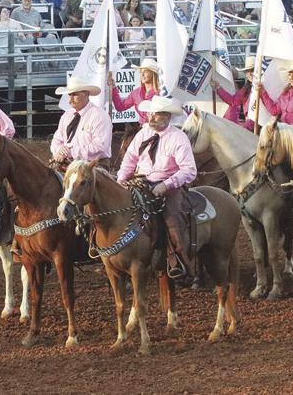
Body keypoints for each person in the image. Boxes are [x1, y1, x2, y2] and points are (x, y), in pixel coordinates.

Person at [115, 96, 196, 279]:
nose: (151, 117)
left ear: (168, 116)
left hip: (169, 184)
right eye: (150, 113)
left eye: (156, 114)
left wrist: (166, 185)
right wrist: (121, 180)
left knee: (172, 216)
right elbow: (129, 161)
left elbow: (189, 170)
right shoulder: (142, 134)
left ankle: (179, 259)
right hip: (140, 181)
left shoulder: (178, 137)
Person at [51, 75, 113, 169]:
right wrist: (59, 151)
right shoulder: (67, 115)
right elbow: (57, 140)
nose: (71, 99)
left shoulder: (100, 116)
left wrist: (71, 152)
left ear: (86, 94)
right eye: (69, 95)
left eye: (75, 94)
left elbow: (100, 146)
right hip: (67, 162)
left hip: (93, 165)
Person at [109, 57, 160, 160]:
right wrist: (113, 87)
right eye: (141, 72)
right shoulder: (136, 93)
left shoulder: (161, 92)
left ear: (153, 73)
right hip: (142, 129)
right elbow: (120, 107)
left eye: (145, 71)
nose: (142, 74)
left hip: (158, 130)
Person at [258, 60, 293, 129]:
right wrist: (263, 92)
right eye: (289, 74)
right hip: (284, 131)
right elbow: (274, 111)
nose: (291, 77)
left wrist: (287, 129)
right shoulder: (285, 94)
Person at [212, 56, 255, 131]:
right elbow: (233, 101)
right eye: (247, 71)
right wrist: (218, 87)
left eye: (252, 70)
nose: (250, 73)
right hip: (250, 127)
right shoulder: (246, 89)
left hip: (258, 126)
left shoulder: (263, 87)